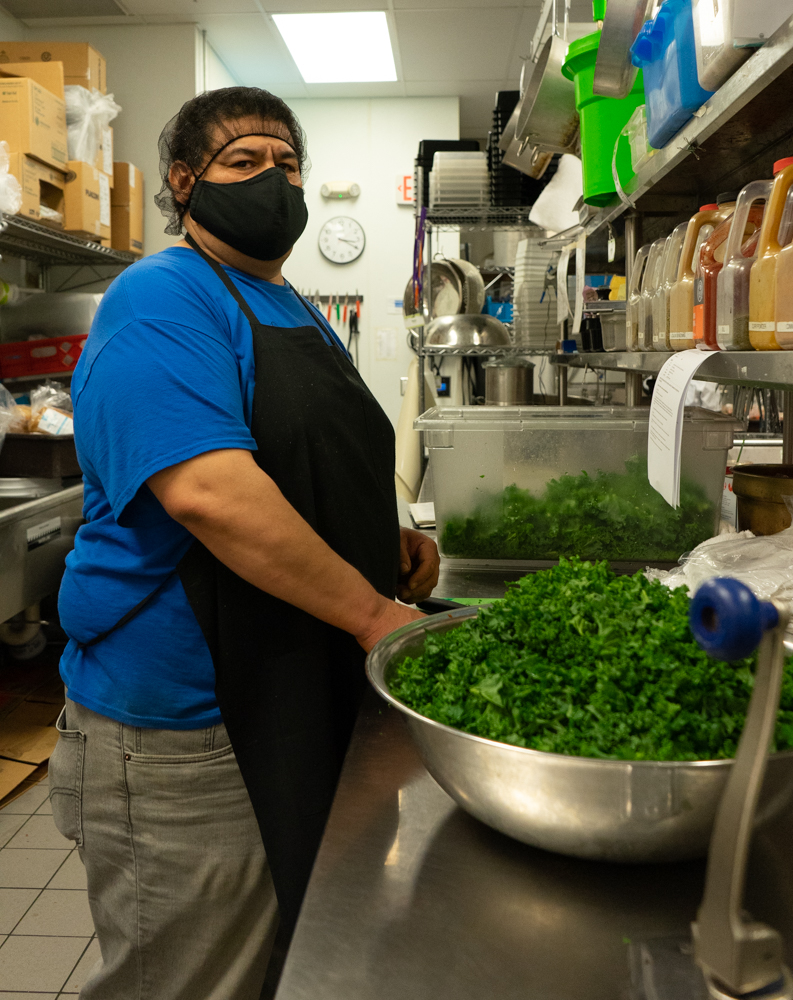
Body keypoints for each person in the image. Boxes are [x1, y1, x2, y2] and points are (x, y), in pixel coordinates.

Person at [49, 87, 439, 1000]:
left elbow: (285, 461)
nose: (275, 182)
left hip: (285, 696)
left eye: (289, 164)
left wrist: (375, 539)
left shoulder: (283, 302)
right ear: (185, 184)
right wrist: (374, 612)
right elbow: (211, 494)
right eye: (244, 162)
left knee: (271, 969)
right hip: (184, 727)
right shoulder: (159, 296)